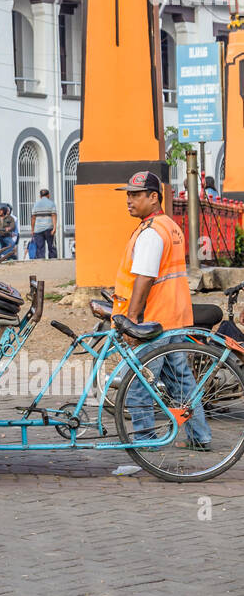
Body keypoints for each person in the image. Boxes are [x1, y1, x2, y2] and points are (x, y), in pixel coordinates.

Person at [112, 170, 211, 451]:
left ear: (154, 197)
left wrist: (130, 319)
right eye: (128, 194)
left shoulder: (152, 233)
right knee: (181, 382)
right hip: (174, 317)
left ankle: (145, 441)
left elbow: (144, 277)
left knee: (139, 383)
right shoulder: (169, 225)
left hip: (152, 322)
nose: (129, 200)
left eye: (135, 195)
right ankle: (201, 436)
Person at [30, 188, 58, 259]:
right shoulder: (51, 203)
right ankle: (53, 261)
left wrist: (32, 230)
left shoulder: (36, 204)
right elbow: (53, 215)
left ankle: (41, 262)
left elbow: (33, 218)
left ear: (40, 196)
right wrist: (54, 227)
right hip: (49, 228)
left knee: (40, 248)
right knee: (51, 246)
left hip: (38, 229)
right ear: (48, 195)